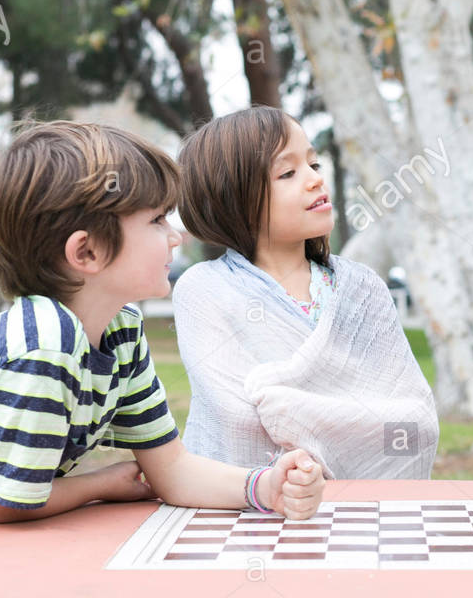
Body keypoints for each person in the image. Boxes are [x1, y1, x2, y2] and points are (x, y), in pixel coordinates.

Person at [0, 121, 324, 544]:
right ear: (87, 251)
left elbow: (172, 469)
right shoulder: (44, 344)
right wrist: (99, 484)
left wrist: (264, 488)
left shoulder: (121, 330)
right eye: (156, 221)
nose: (175, 237)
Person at [172, 106, 438, 479]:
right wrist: (348, 418)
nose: (315, 180)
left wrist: (286, 409)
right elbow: (237, 418)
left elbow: (414, 419)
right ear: (234, 200)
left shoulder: (363, 288)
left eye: (313, 165)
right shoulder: (204, 290)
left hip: (365, 516)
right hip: (244, 508)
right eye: (287, 172)